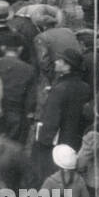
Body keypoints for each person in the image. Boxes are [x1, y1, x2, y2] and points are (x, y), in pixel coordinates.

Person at [32, 49, 90, 185]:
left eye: (60, 60)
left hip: (57, 140)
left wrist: (42, 141)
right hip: (75, 136)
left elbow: (51, 118)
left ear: (68, 65)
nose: (56, 62)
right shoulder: (85, 87)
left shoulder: (60, 89)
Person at [0, 31, 36, 144]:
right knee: (12, 149)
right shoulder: (28, 69)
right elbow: (31, 99)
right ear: (20, 49)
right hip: (16, 115)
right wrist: (30, 115)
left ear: (3, 48)